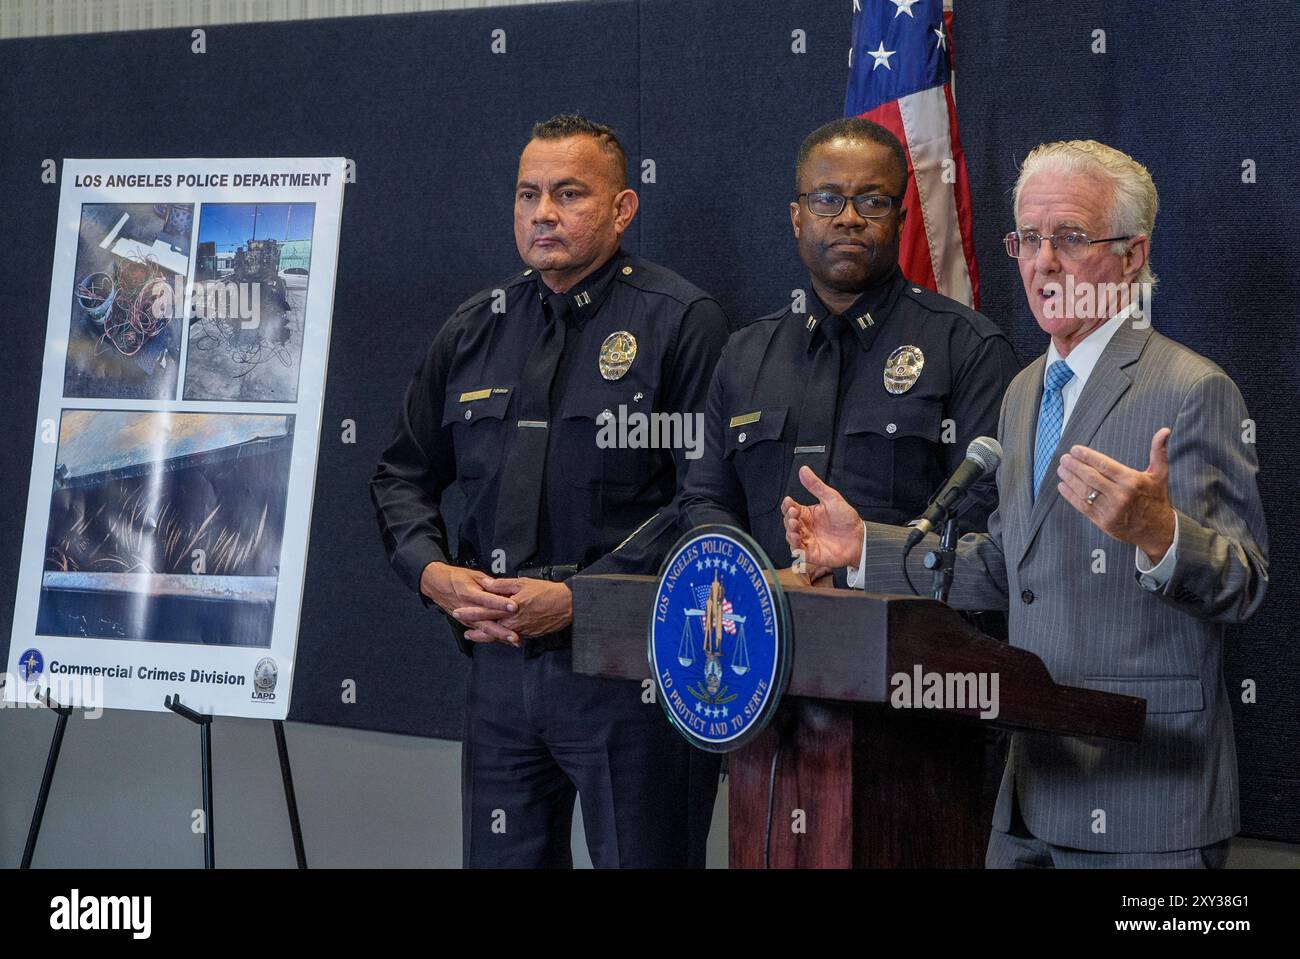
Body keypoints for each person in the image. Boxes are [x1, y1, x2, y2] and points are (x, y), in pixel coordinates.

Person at [782, 139, 1269, 868]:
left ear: (1133, 256)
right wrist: (863, 551)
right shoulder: (1022, 392)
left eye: (1070, 237)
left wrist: (1160, 535)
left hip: (1147, 791)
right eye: (1028, 238)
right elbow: (1008, 569)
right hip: (1029, 787)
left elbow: (1246, 581)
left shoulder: (1191, 389)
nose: (1044, 262)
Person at [370, 114, 729, 868]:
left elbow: (706, 502)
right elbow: (401, 473)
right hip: (499, 672)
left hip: (632, 675)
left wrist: (583, 599)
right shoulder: (474, 327)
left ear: (623, 208)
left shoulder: (679, 322)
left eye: (569, 194)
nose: (544, 213)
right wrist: (431, 573)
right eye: (529, 194)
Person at [617, 117, 1018, 581]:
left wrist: (852, 572)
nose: (849, 218)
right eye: (827, 199)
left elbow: (979, 527)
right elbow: (705, 500)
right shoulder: (744, 354)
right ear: (796, 217)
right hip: (760, 636)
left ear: (901, 221)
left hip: (901, 640)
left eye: (873, 201)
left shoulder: (967, 348)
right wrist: (755, 584)